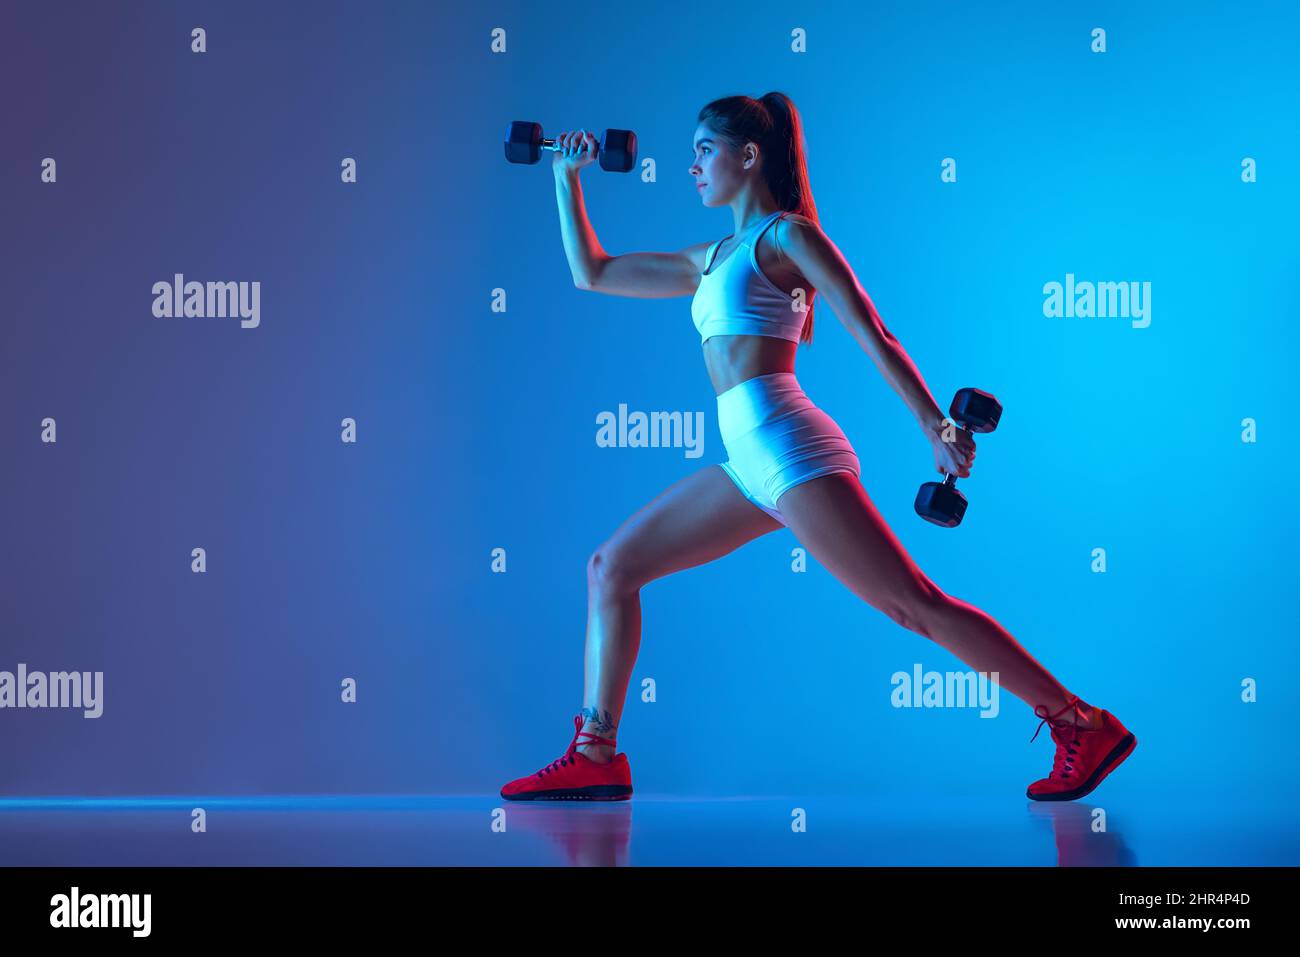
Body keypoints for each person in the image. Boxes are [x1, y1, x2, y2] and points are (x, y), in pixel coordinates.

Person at [499, 92, 1136, 803]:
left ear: (749, 156)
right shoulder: (708, 258)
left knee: (913, 604)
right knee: (610, 567)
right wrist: (566, 177)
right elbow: (593, 272)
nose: (692, 166)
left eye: (703, 150)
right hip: (749, 465)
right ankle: (596, 755)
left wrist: (934, 423)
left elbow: (872, 329)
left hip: (791, 446)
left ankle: (1080, 722)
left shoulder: (788, 237)